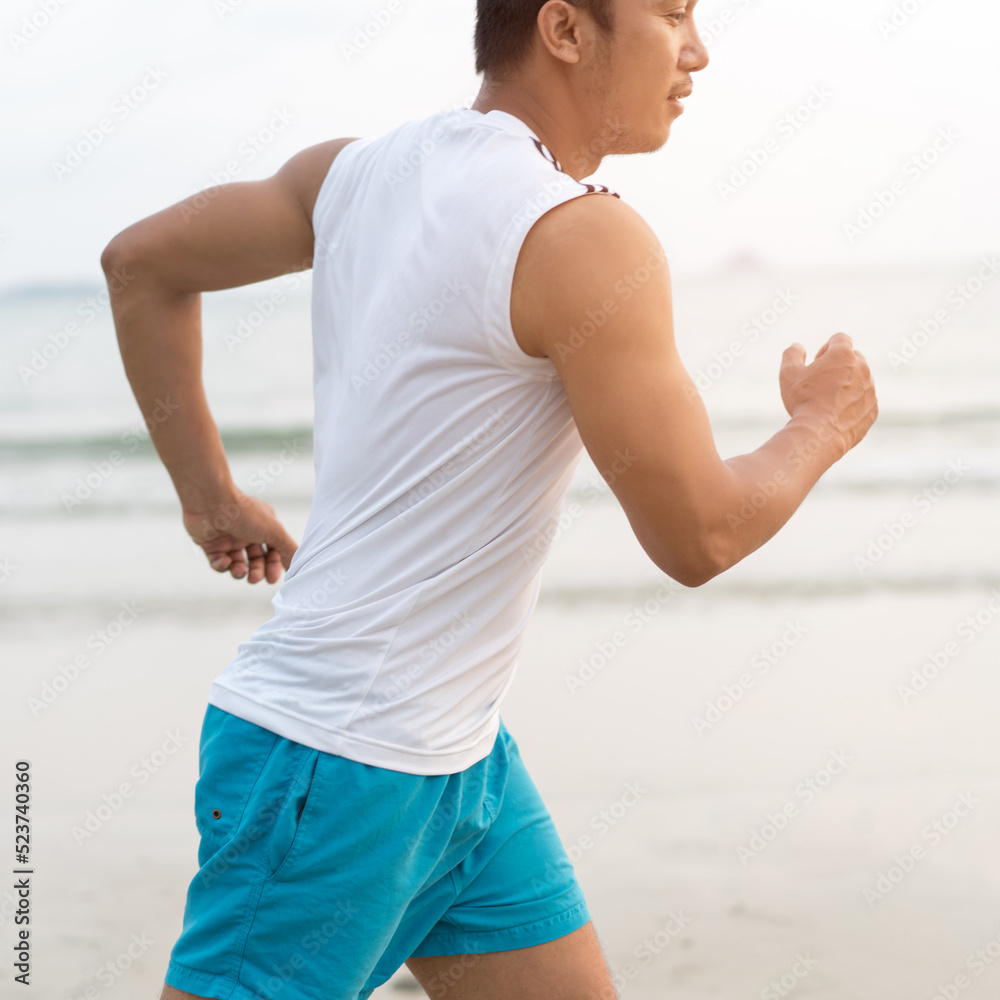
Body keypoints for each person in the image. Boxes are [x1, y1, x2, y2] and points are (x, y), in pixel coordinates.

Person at [101, 0, 877, 997]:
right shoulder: (582, 238)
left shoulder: (351, 174)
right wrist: (821, 425)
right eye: (671, 13)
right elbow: (701, 534)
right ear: (564, 29)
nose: (698, 50)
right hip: (336, 762)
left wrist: (208, 498)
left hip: (459, 756)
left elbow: (141, 264)